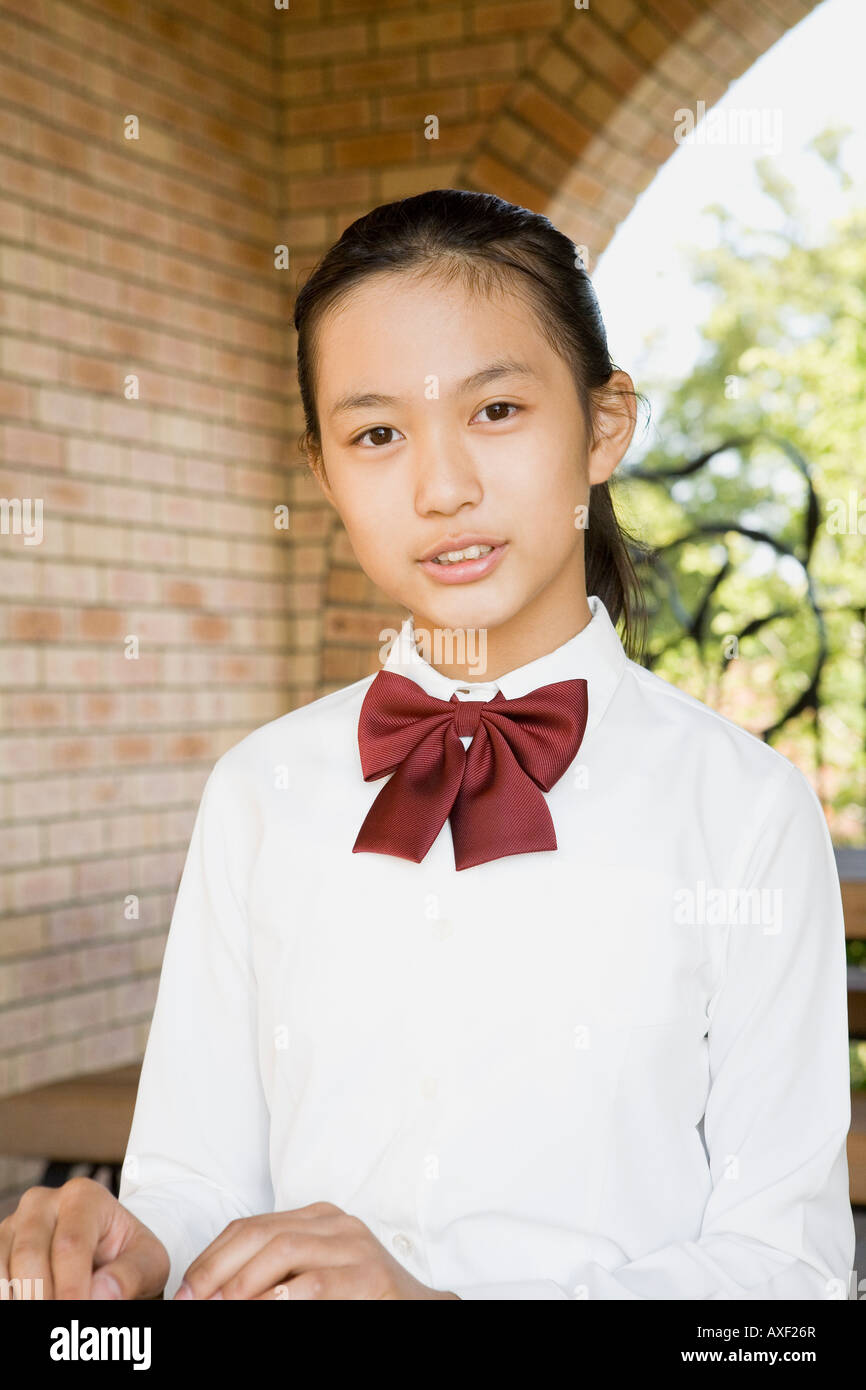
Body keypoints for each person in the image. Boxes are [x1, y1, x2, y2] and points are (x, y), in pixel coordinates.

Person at [0, 189, 854, 1301]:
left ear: (603, 426)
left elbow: (783, 1285)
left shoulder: (743, 810)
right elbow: (198, 1179)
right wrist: (128, 1250)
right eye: (376, 433)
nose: (440, 487)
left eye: (495, 411)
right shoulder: (259, 791)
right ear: (322, 473)